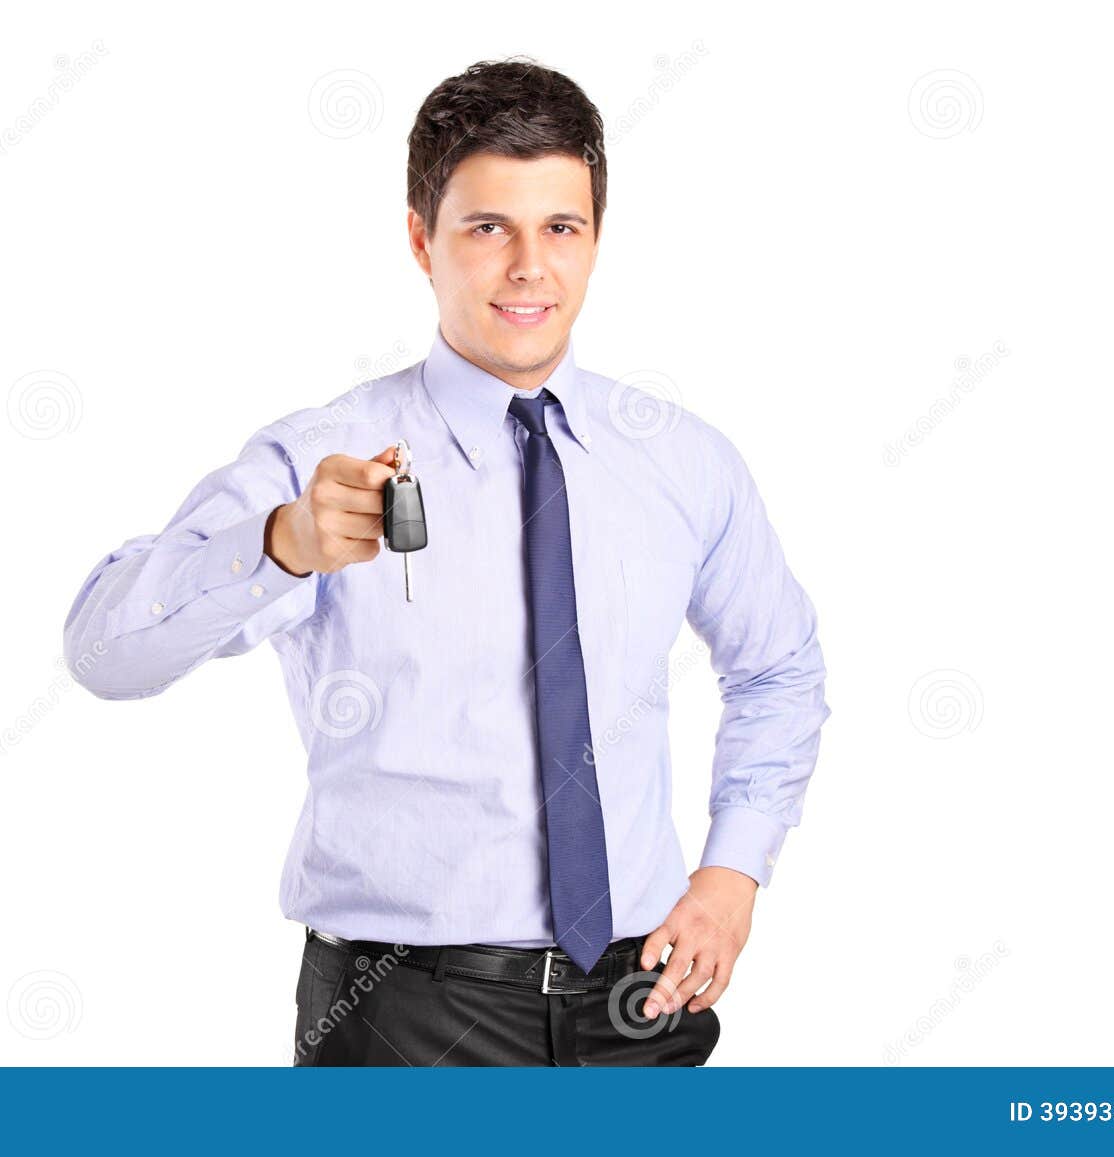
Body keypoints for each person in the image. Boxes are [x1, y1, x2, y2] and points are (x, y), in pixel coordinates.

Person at [62, 56, 830, 1066]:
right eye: (487, 228)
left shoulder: (681, 460)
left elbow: (778, 668)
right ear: (422, 239)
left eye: (561, 227)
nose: (528, 265)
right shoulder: (321, 456)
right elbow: (105, 651)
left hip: (641, 1007)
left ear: (596, 239)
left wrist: (731, 873)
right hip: (405, 1021)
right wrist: (280, 544)